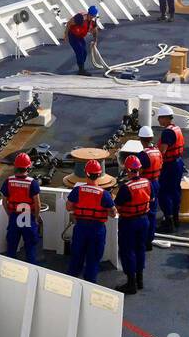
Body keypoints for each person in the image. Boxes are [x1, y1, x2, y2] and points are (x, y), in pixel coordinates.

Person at [67, 159, 114, 282]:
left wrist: (75, 212)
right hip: (97, 230)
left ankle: (71, 284)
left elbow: (68, 206)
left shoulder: (77, 190)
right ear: (99, 175)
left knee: (76, 257)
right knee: (93, 260)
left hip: (81, 228)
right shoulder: (104, 194)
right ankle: (90, 284)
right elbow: (113, 213)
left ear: (86, 174)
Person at [113, 155, 152, 295]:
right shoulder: (147, 182)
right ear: (139, 169)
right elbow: (151, 198)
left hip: (129, 223)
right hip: (144, 220)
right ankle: (140, 280)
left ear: (128, 170)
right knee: (140, 249)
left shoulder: (126, 188)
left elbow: (117, 205)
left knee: (127, 251)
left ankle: (131, 283)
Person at [2, 153, 41, 264]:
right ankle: (31, 270)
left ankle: (10, 269)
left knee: (11, 246)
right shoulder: (32, 183)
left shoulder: (8, 181)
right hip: (28, 217)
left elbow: (4, 201)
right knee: (30, 247)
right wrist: (36, 218)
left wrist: (10, 214)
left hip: (14, 216)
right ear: (28, 167)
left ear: (15, 166)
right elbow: (37, 203)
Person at [157, 106, 185, 231]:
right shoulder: (176, 129)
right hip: (178, 163)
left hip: (169, 165)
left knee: (164, 192)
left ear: (165, 118)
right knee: (175, 191)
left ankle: (168, 221)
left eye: (160, 118)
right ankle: (176, 218)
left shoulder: (167, 132)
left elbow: (162, 151)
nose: (158, 121)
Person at [134, 125, 162, 251]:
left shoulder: (142, 155)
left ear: (140, 139)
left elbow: (138, 171)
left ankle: (142, 240)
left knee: (142, 212)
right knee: (152, 212)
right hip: (155, 182)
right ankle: (149, 240)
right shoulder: (157, 151)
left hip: (146, 185)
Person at [66, 5, 100, 75]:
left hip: (80, 37)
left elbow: (95, 30)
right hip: (73, 36)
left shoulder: (93, 20)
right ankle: (81, 70)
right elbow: (69, 23)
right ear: (88, 13)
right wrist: (66, 35)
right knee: (80, 51)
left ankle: (81, 67)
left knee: (84, 53)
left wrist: (95, 40)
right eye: (90, 15)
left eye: (93, 16)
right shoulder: (80, 18)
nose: (91, 17)